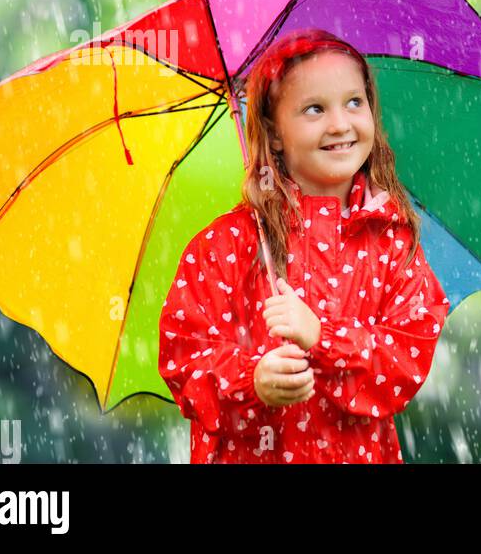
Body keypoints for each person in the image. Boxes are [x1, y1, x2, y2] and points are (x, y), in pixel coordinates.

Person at [158, 27, 449, 463]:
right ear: (275, 134)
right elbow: (185, 358)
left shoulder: (392, 242)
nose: (340, 124)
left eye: (355, 102)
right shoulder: (223, 247)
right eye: (314, 109)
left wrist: (323, 338)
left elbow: (403, 363)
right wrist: (251, 379)